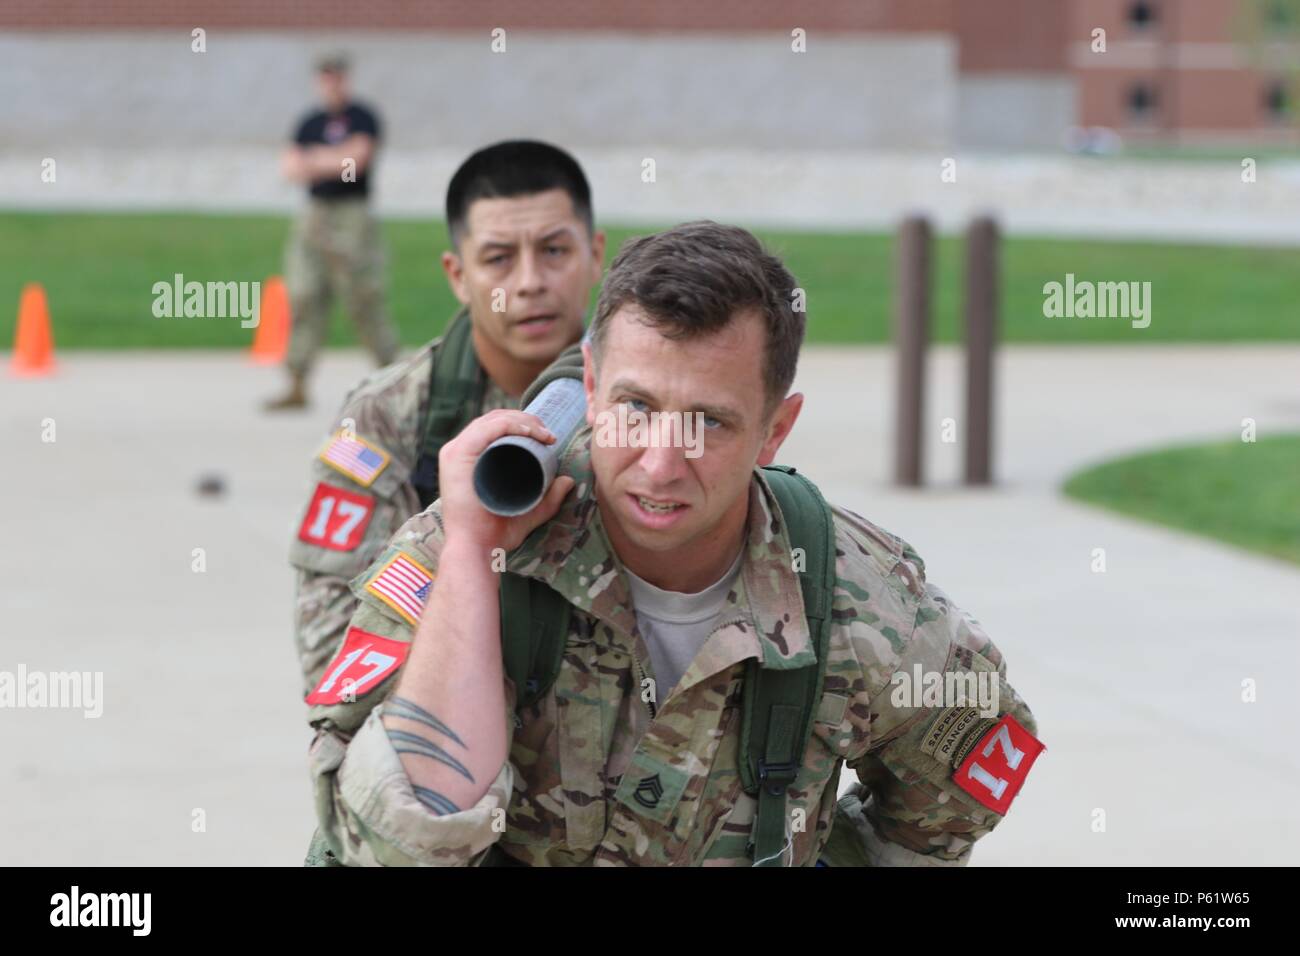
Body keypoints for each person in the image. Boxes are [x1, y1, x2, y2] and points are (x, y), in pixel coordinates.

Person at [304, 221, 1043, 866]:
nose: (659, 463)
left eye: (710, 423)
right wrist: (469, 551)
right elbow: (397, 849)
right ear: (589, 386)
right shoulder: (472, 547)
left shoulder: (860, 598)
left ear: (774, 431)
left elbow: (953, 798)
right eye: (635, 406)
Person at [288, 140, 603, 693]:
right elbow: (332, 653)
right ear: (458, 274)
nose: (530, 281)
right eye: (499, 258)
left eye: (555, 251)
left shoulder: (648, 402)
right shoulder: (387, 413)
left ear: (595, 254)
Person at [266, 52, 400, 411]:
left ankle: (394, 380)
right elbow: (290, 168)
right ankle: (296, 380)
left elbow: (354, 164)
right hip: (314, 213)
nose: (332, 83)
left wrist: (317, 160)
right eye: (325, 76)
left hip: (351, 215)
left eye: (337, 75)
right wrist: (330, 160)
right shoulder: (309, 122)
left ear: (346, 78)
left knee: (363, 296)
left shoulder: (362, 117)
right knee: (305, 293)